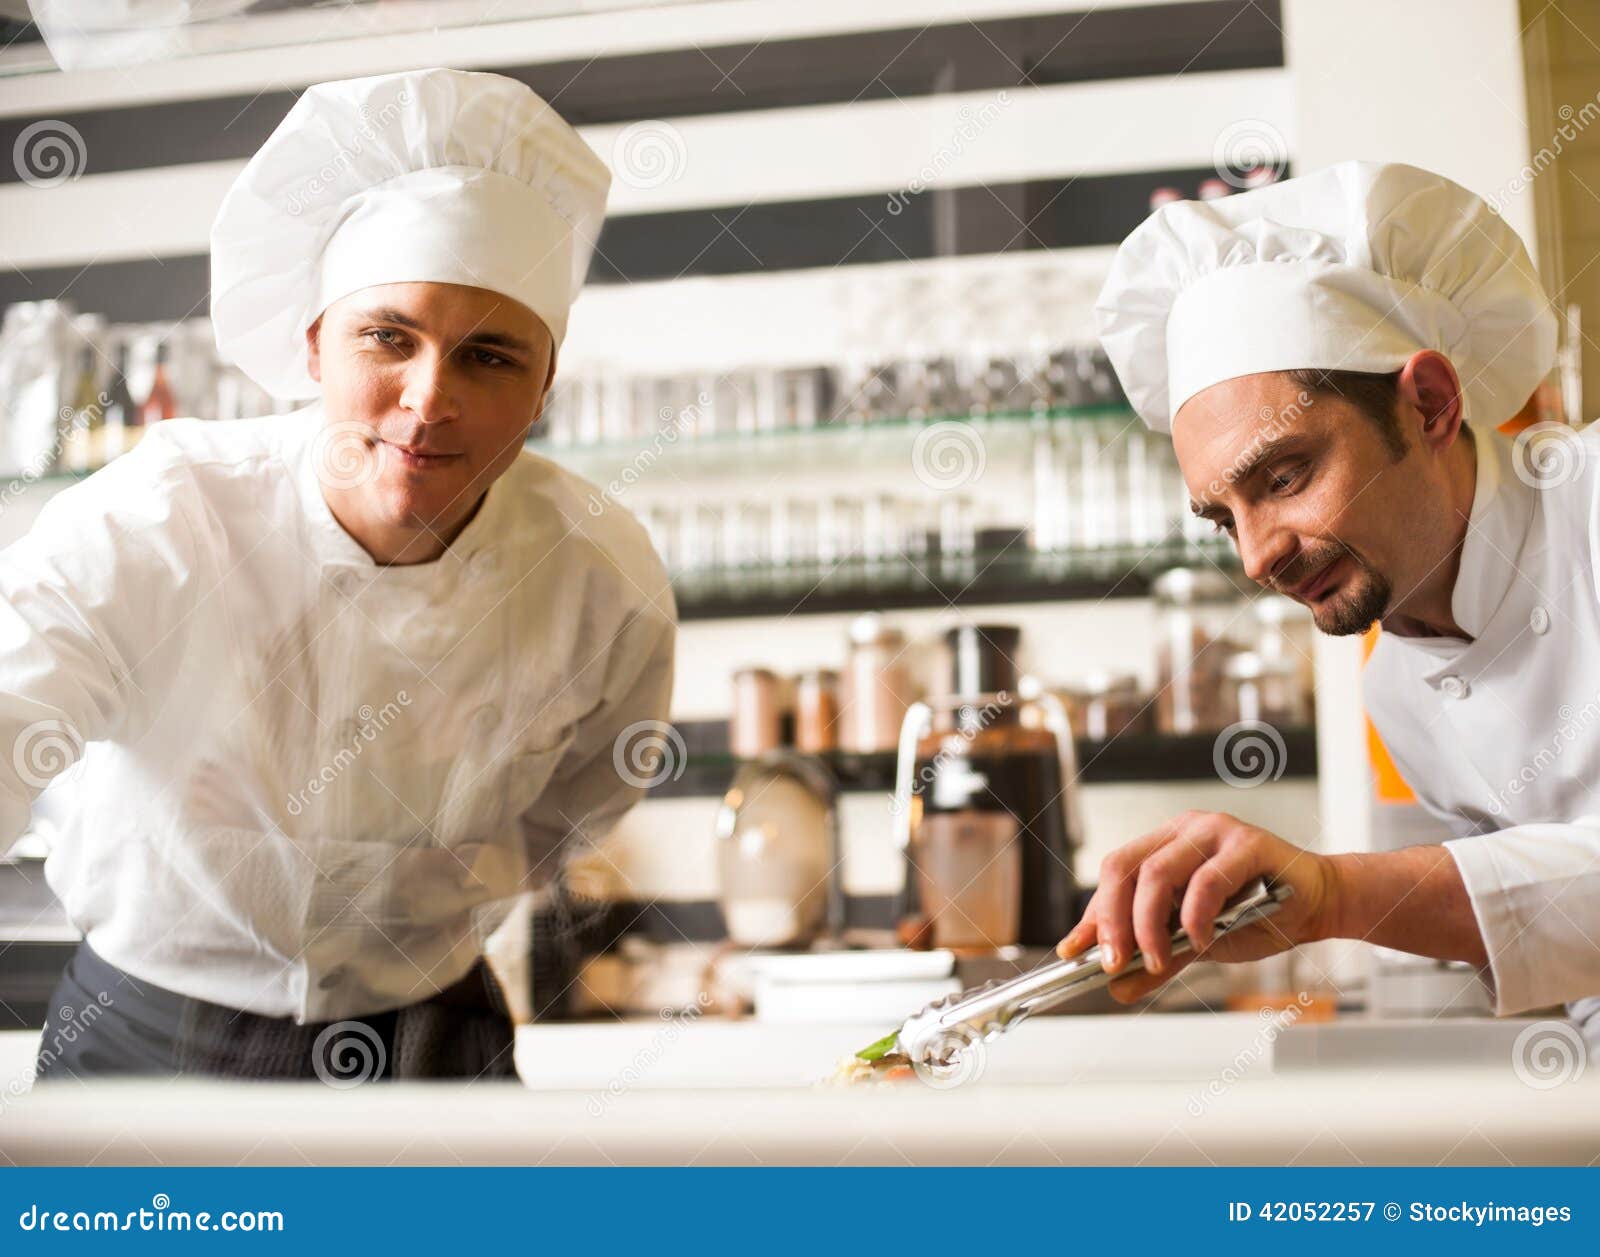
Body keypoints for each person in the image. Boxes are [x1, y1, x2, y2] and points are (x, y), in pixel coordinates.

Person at [19, 67, 675, 1081]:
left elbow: (579, 806)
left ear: (544, 384)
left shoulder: (598, 573)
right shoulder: (161, 514)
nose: (428, 398)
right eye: (389, 338)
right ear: (315, 344)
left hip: (433, 1032)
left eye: (488, 357)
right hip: (148, 1025)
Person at [1070, 160, 1600, 1047]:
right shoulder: (1399, 694)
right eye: (1221, 520)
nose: (1256, 557)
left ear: (1429, 405)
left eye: (1284, 477)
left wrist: (1334, 893)